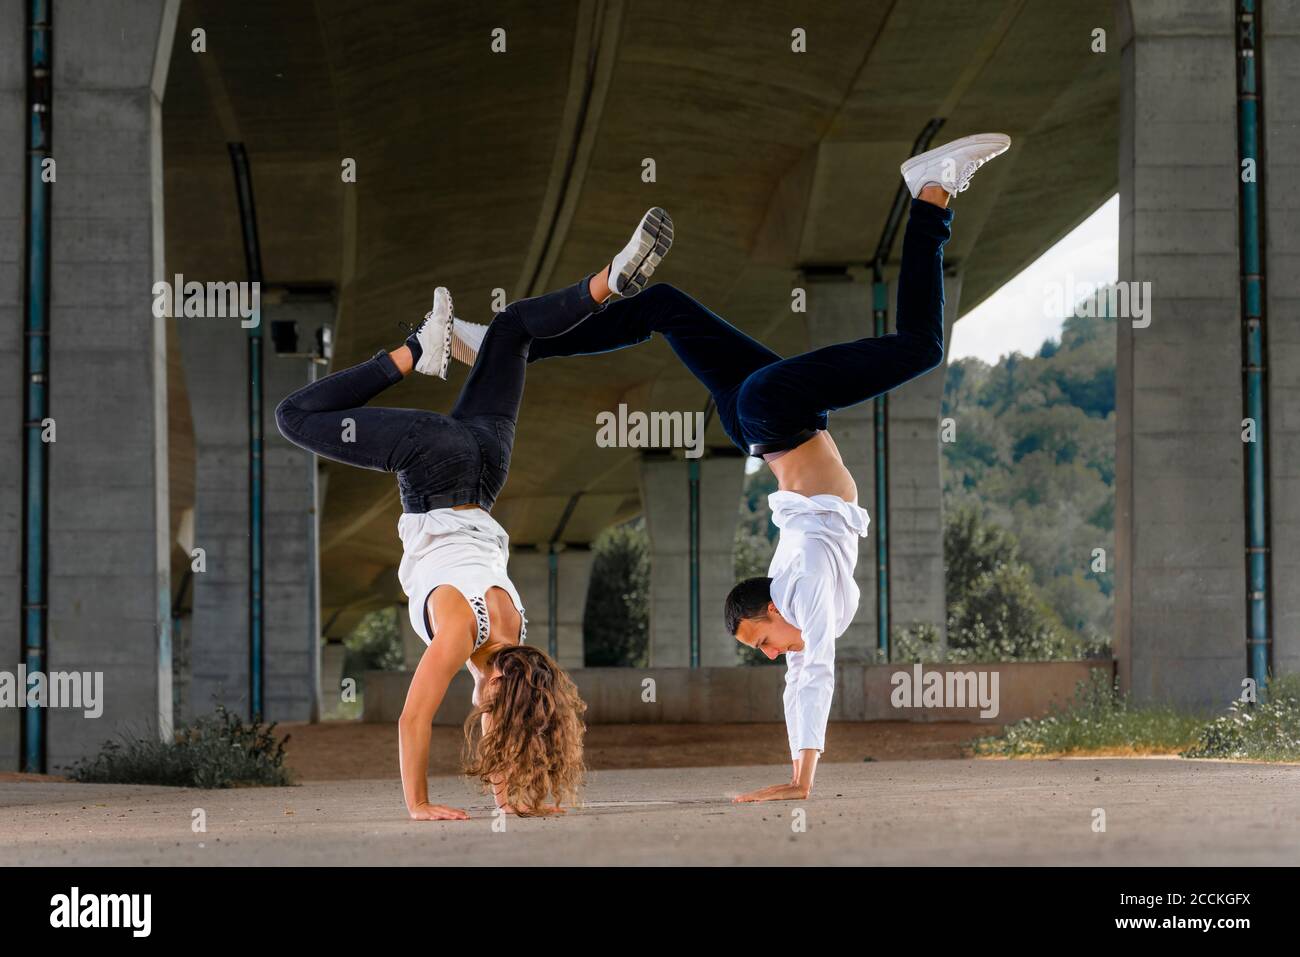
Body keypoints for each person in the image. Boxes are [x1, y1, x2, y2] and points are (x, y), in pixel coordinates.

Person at [528, 134, 1010, 803]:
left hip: (773, 417)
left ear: (775, 606)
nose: (772, 651)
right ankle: (525, 346)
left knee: (921, 347)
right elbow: (807, 675)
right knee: (668, 307)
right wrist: (798, 777)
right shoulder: (801, 591)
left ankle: (934, 195)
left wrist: (799, 778)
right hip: (759, 420)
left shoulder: (803, 586)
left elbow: (808, 674)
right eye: (763, 643)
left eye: (762, 639)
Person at [274, 208, 674, 818]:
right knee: (295, 418)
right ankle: (415, 350)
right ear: (495, 689)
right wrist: (419, 805)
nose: (483, 709)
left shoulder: (516, 638)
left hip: (487, 467)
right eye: (490, 706)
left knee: (512, 329)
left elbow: (505, 708)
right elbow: (413, 719)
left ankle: (613, 278)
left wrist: (508, 790)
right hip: (435, 471)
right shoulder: (462, 629)